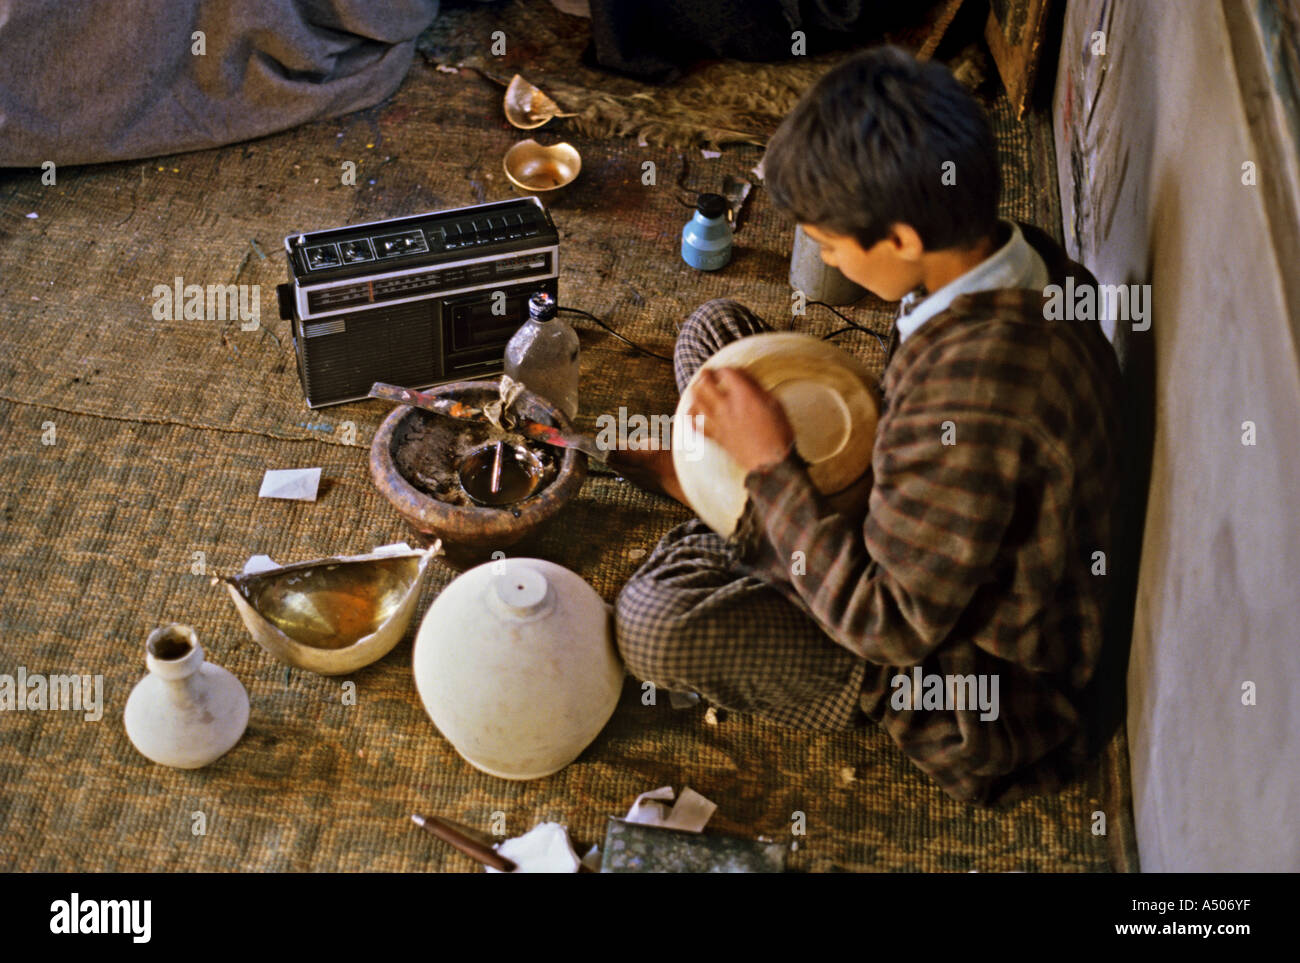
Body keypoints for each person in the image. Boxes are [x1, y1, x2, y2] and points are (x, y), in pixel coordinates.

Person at [607, 45, 1125, 806]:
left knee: (652, 622)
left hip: (965, 680)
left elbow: (890, 624)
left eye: (831, 245)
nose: (826, 258)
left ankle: (732, 520)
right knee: (712, 334)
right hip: (929, 519)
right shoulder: (1017, 252)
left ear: (904, 240)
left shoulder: (973, 399)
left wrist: (766, 473)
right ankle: (735, 510)